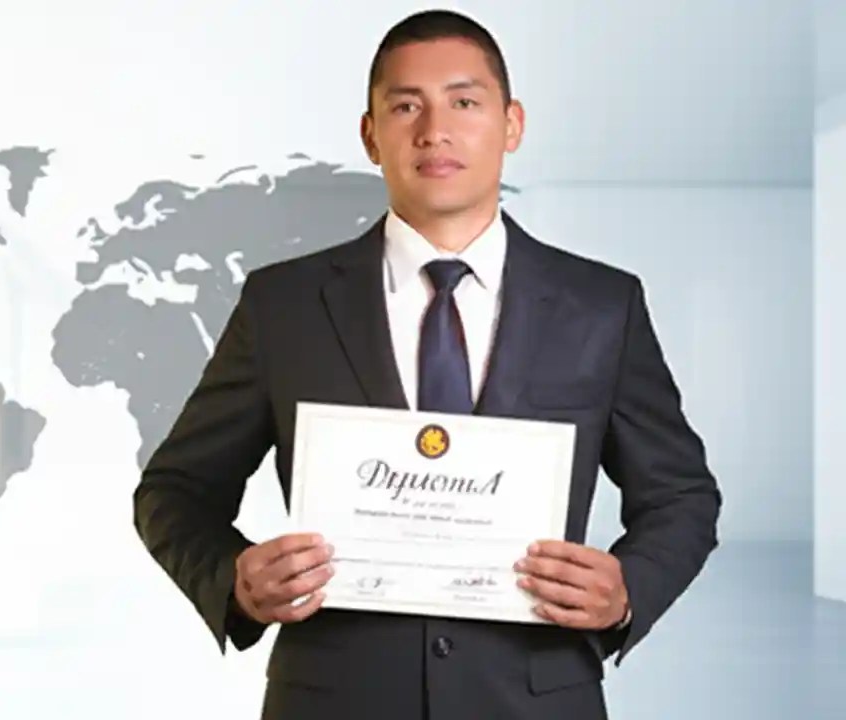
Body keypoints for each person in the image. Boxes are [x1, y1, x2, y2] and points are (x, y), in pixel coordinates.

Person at [132, 8, 721, 720]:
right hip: (334, 702)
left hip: (537, 701)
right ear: (370, 135)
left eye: (464, 102)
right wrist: (233, 580)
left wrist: (627, 587)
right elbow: (174, 490)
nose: (434, 130)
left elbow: (683, 496)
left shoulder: (603, 306)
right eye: (405, 105)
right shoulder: (281, 305)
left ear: (511, 125)